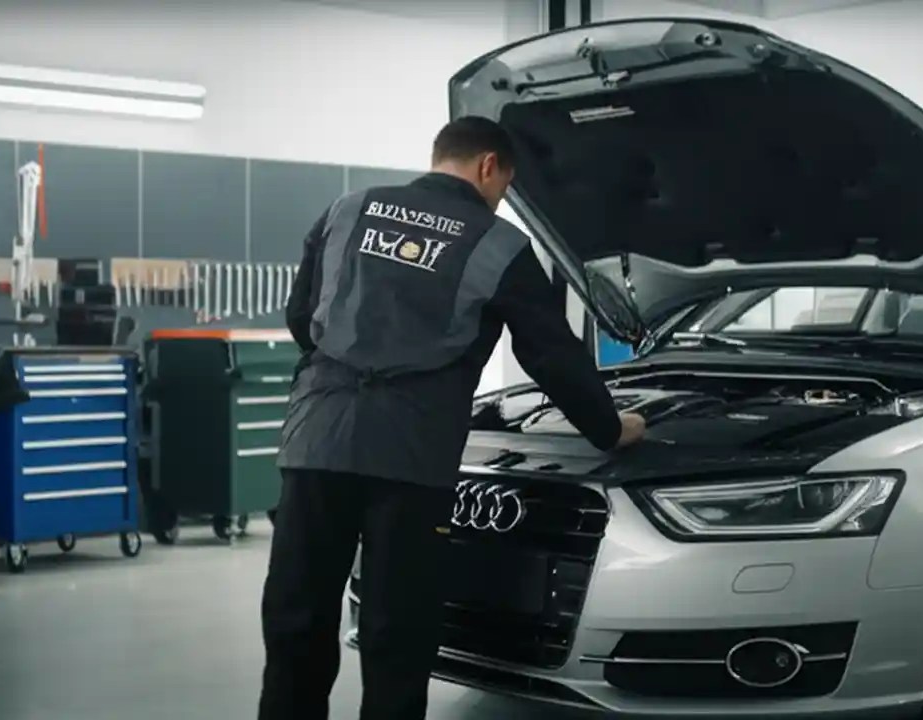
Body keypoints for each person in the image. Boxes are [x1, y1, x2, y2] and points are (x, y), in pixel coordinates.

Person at [258, 116, 647, 720]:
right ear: (489, 167)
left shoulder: (348, 209)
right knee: (397, 631)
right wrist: (609, 426)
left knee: (296, 618)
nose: (499, 199)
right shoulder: (499, 244)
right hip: (411, 456)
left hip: (318, 441)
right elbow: (549, 352)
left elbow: (300, 316)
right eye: (504, 185)